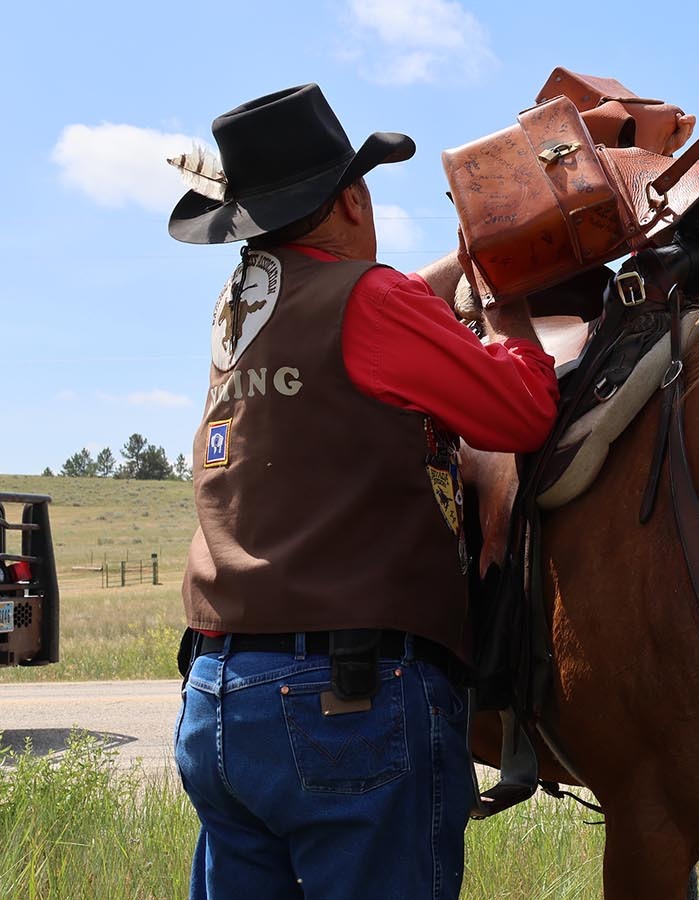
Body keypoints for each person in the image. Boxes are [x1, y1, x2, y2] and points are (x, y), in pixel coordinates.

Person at [168, 84, 560, 900]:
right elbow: (522, 413)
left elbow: (365, 313)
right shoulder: (374, 301)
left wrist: (448, 272)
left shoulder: (239, 311)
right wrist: (510, 301)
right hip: (344, 703)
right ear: (353, 196)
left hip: (217, 698)